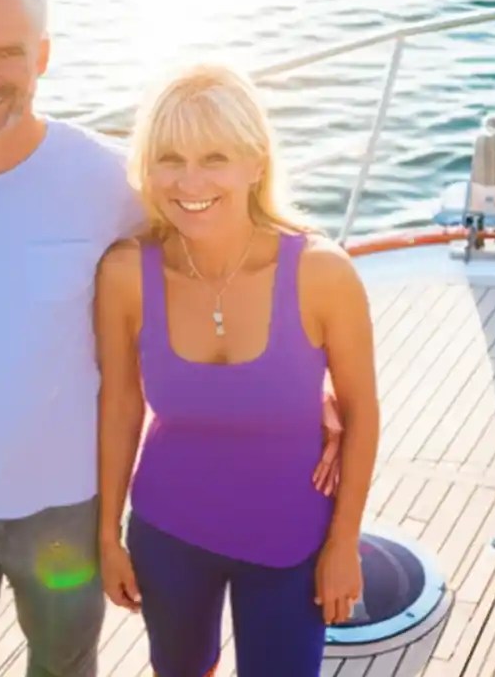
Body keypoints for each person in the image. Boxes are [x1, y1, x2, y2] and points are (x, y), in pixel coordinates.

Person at [0, 0, 340, 675]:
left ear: (42, 56)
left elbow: (210, 264)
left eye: (9, 51)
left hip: (67, 512)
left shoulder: (104, 180)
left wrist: (305, 388)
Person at [95, 63, 380, 677]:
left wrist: (344, 541)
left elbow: (361, 414)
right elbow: (119, 407)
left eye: (214, 158)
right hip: (167, 532)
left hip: (292, 542)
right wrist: (107, 536)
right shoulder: (125, 274)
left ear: (256, 163)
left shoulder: (323, 275)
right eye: (169, 158)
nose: (189, 181)